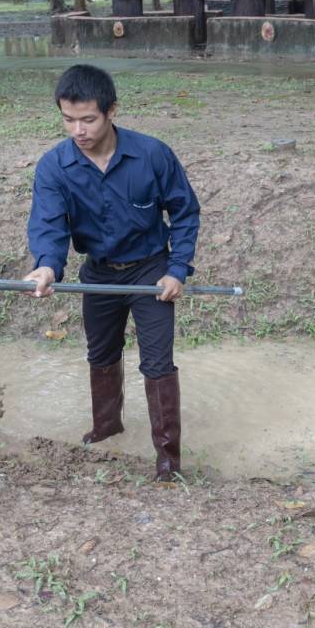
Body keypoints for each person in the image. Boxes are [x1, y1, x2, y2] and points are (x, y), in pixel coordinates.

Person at [24, 66, 201, 483]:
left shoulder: (153, 155)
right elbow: (49, 225)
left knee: (158, 364)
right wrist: (48, 264)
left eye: (88, 119)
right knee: (100, 354)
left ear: (111, 111)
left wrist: (177, 269)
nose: (78, 130)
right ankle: (106, 428)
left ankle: (168, 458)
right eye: (68, 119)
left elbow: (185, 213)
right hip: (98, 274)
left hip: (150, 273)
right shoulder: (54, 167)